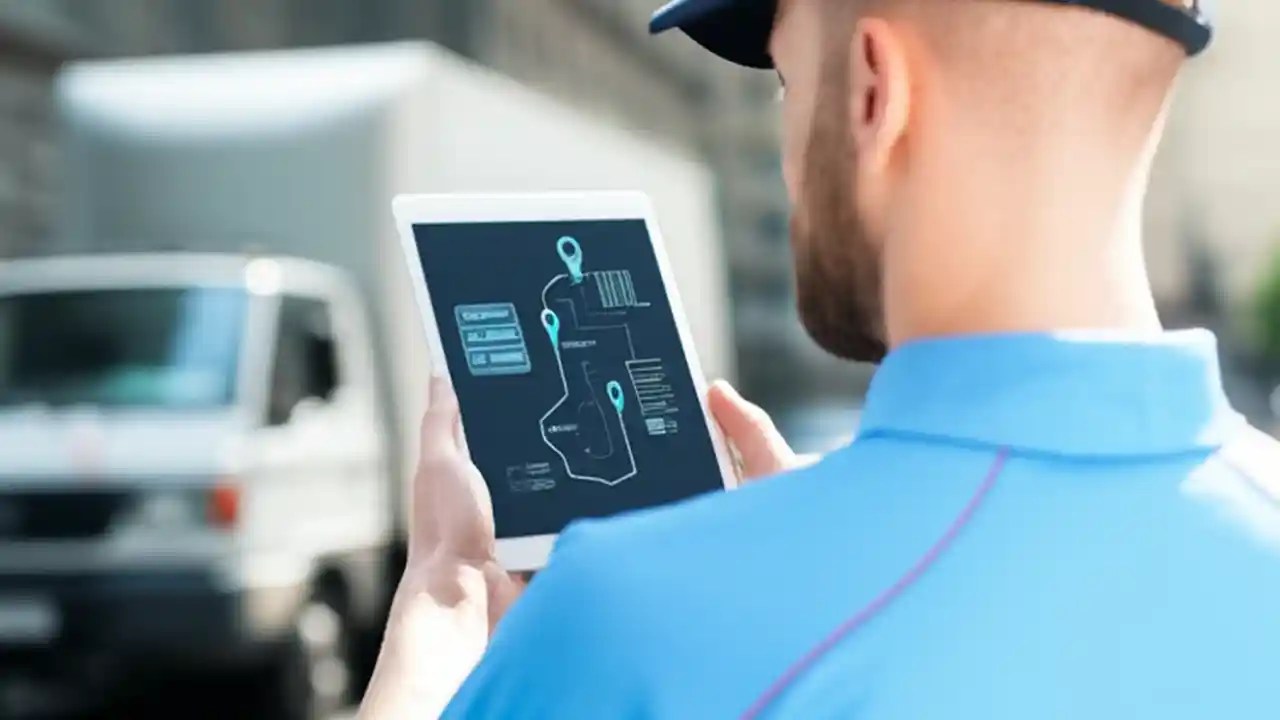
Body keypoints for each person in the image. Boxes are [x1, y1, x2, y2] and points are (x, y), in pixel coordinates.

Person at [359, 0, 1280, 717]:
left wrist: (437, 618)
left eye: (789, 87)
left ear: (877, 94)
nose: (791, 158)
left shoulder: (630, 622)